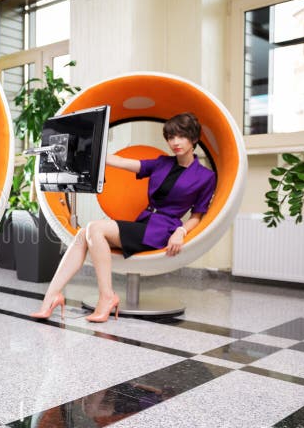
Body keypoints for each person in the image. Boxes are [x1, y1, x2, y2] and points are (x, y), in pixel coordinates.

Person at [30, 112, 216, 322]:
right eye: (171, 137)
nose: (175, 142)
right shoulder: (162, 163)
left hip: (163, 231)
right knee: (83, 234)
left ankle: (107, 296)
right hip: (144, 223)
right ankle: (51, 297)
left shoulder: (205, 176)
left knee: (94, 228)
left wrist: (181, 232)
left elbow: (198, 214)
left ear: (194, 139)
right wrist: (88, 151)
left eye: (181, 136)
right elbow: (122, 162)